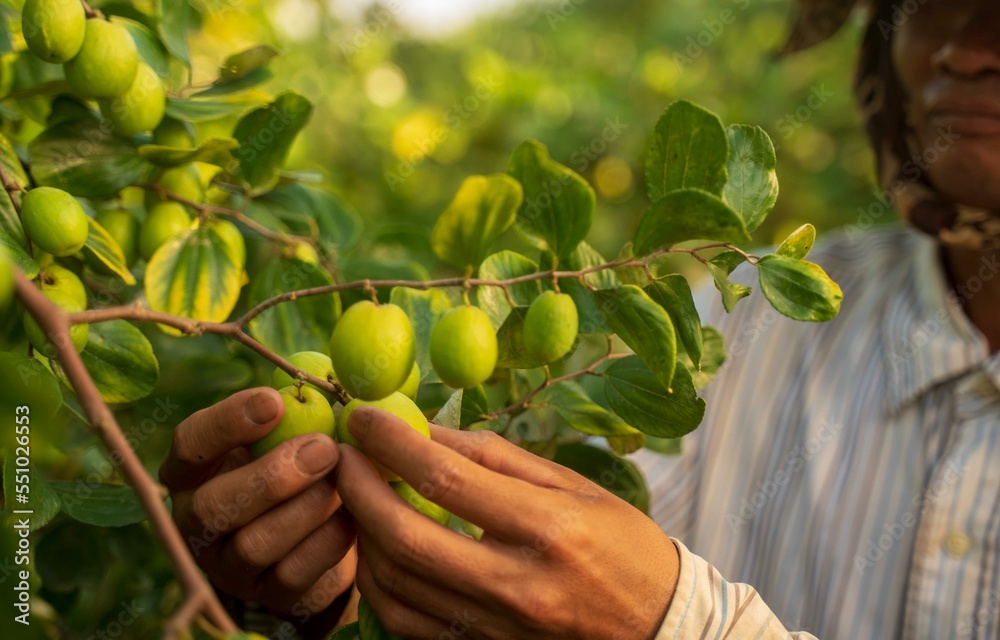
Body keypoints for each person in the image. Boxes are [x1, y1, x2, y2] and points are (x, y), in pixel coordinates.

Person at [159, 0, 1000, 637]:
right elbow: (535, 579)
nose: (962, 47)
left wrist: (672, 623)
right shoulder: (752, 321)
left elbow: (626, 604)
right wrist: (365, 571)